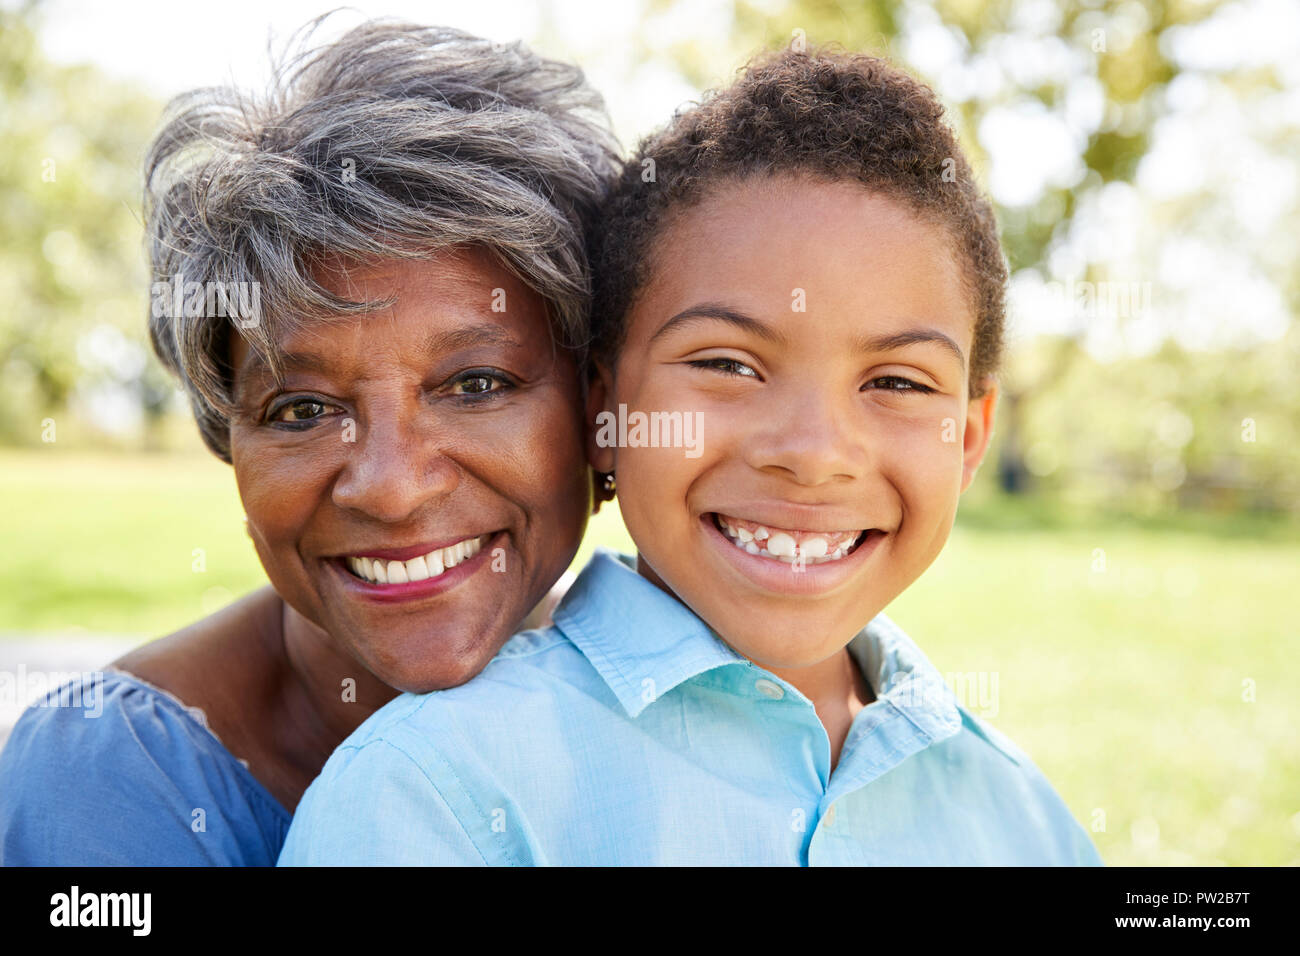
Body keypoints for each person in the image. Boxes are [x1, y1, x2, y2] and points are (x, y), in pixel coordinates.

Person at [280, 47, 1104, 866]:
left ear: (966, 438)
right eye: (727, 365)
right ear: (603, 408)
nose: (813, 455)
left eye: (896, 381)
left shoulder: (1022, 817)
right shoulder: (434, 798)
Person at [0, 18, 618, 865]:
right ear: (229, 435)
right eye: (301, 410)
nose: (392, 488)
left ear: (598, 409)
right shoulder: (107, 780)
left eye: (475, 385)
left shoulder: (701, 708)